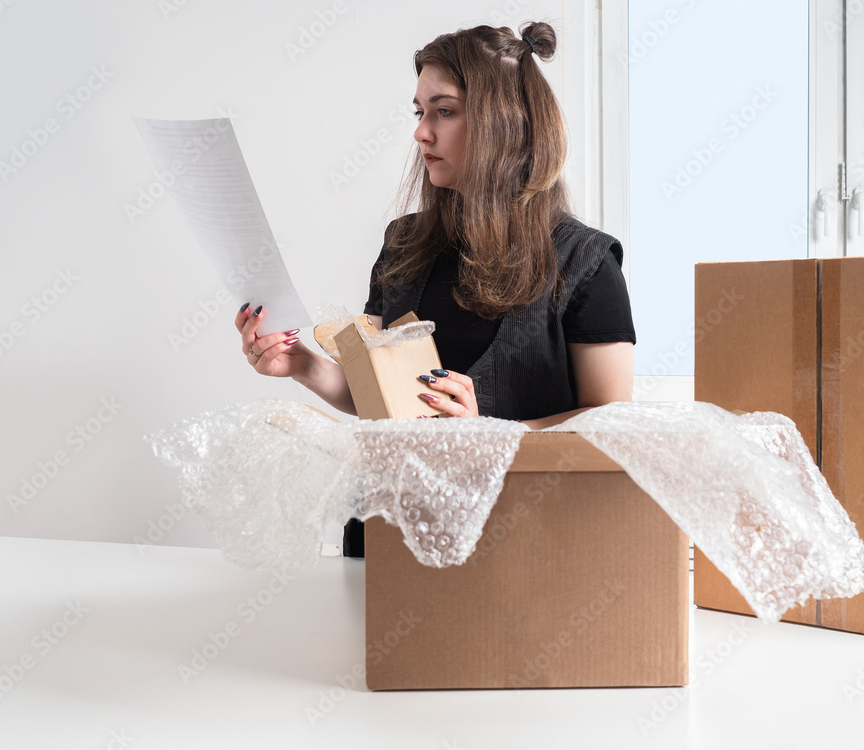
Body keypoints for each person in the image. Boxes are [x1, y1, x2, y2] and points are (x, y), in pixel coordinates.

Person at [235, 22, 635, 556]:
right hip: (386, 532)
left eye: (443, 111)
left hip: (513, 547)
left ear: (505, 123)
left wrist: (487, 434)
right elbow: (375, 395)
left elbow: (610, 422)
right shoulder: (404, 243)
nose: (422, 132)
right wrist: (301, 365)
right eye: (420, 112)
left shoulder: (584, 261)